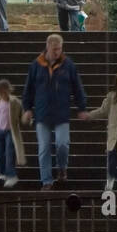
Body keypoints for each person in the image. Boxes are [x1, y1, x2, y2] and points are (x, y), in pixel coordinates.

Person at [21, 33, 91, 190]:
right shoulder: (36, 65)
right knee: (44, 147)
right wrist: (27, 108)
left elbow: (77, 87)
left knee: (62, 144)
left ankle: (62, 167)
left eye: (59, 49)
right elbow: (28, 89)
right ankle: (46, 181)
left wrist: (81, 107)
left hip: (61, 113)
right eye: (54, 49)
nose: (57, 52)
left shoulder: (68, 65)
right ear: (47, 47)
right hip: (42, 113)